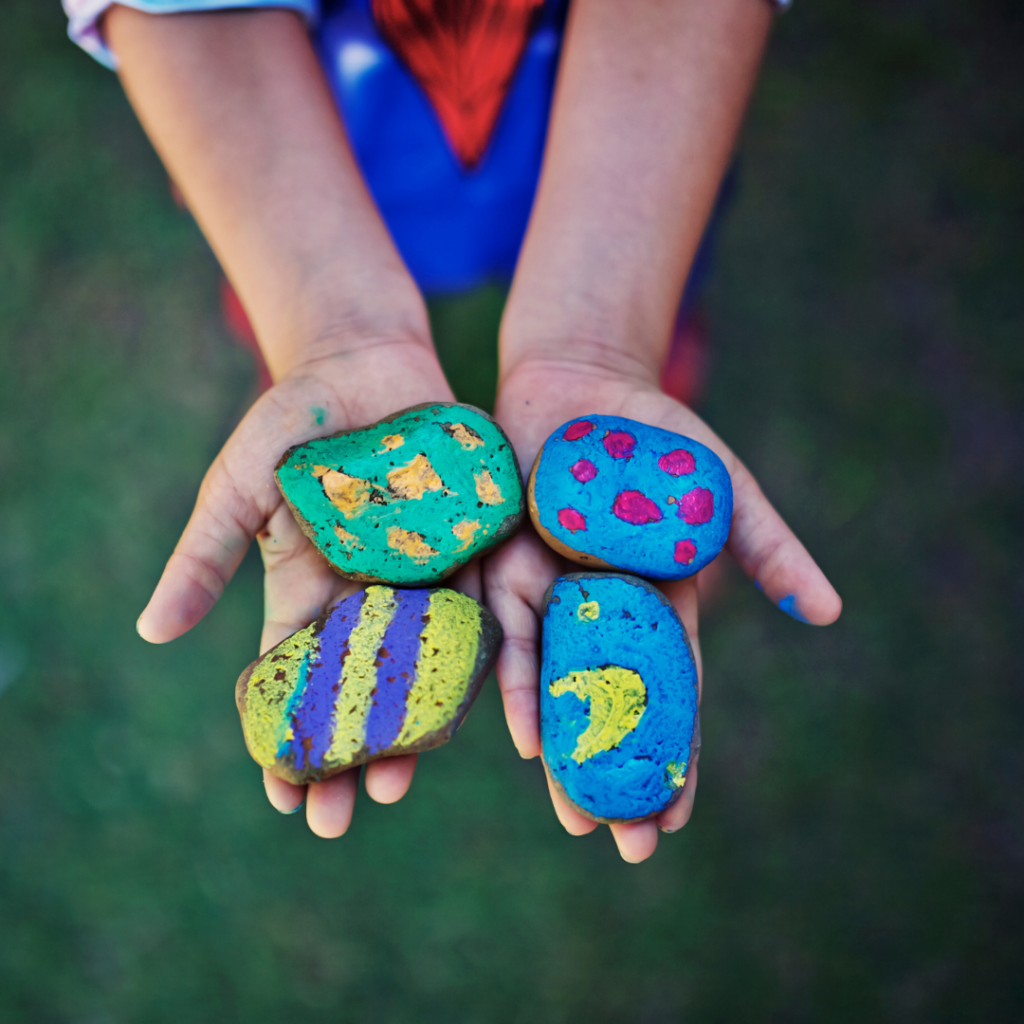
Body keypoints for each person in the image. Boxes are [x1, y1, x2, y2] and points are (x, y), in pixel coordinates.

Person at [63, 0, 841, 863]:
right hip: (300, 168)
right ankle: (342, 382)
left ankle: (646, 516)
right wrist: (325, 323)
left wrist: (602, 332)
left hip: (630, 161)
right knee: (306, 379)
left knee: (645, 380)